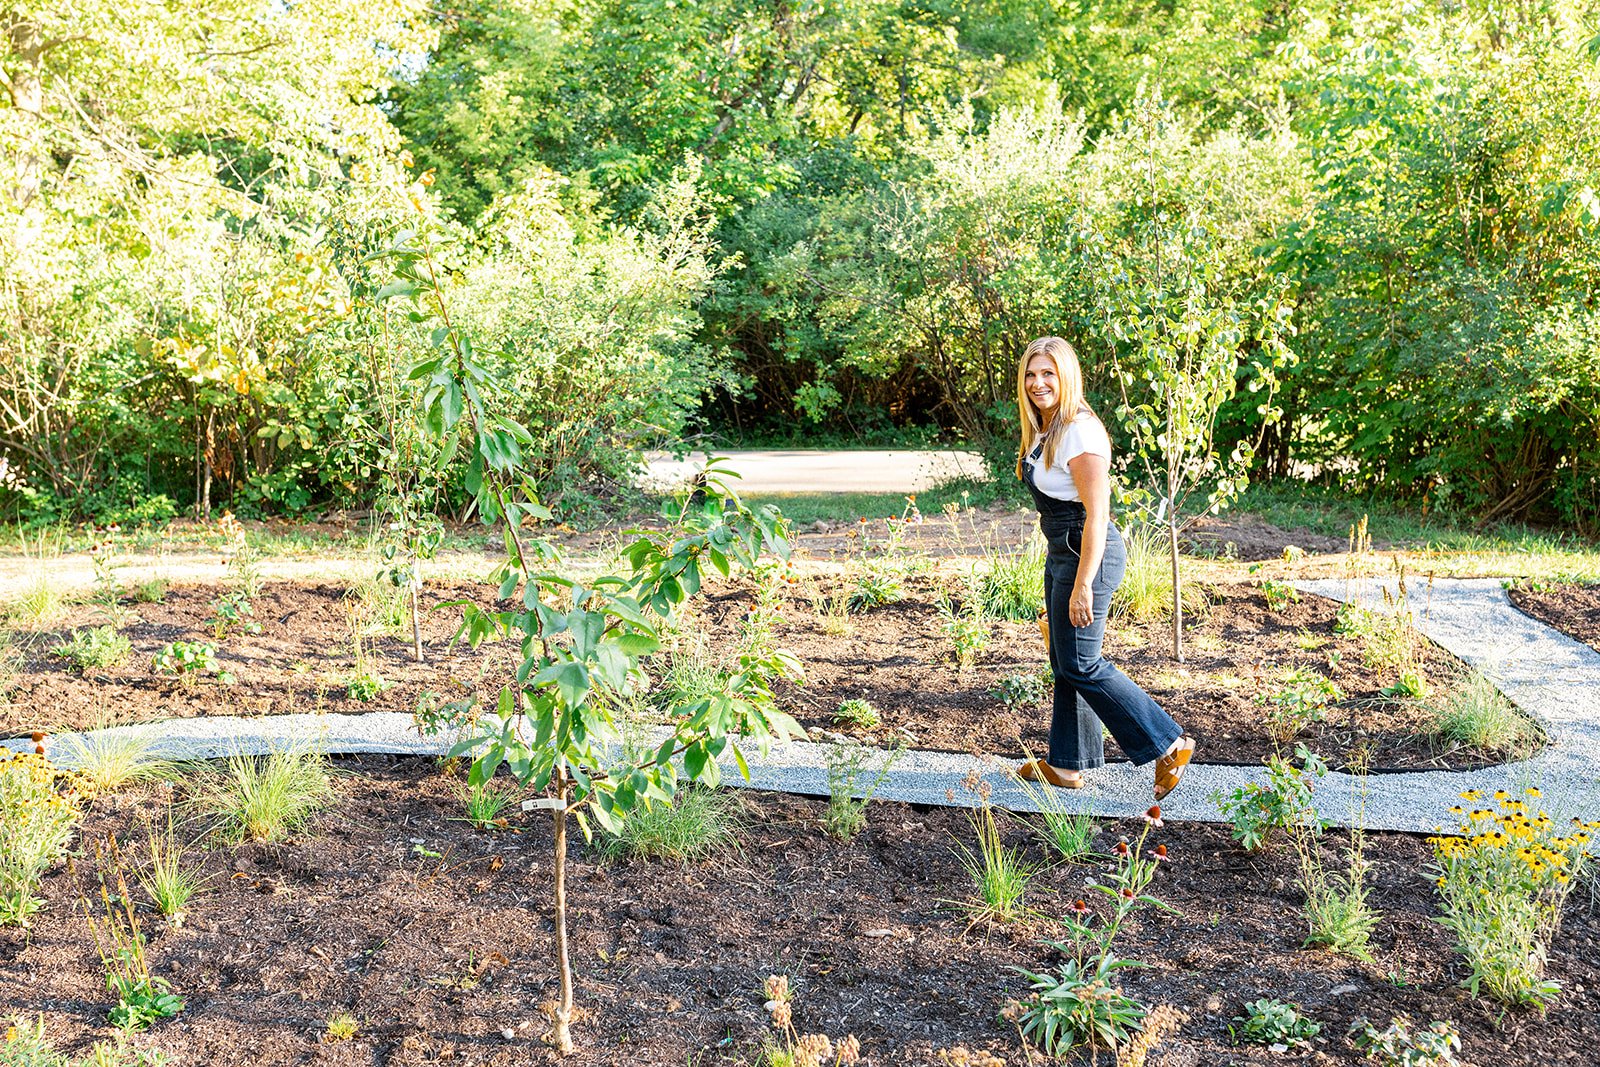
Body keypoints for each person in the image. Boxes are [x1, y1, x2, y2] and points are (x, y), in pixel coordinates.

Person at [1012, 336, 1195, 798]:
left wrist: (1083, 585)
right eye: (1031, 374)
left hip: (1086, 551)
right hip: (1062, 549)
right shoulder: (1045, 425)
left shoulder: (1080, 430)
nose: (1038, 383)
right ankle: (1068, 765)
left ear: (1067, 376)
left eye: (1048, 373)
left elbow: (1096, 515)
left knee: (1082, 663)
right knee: (1064, 659)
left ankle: (1169, 742)